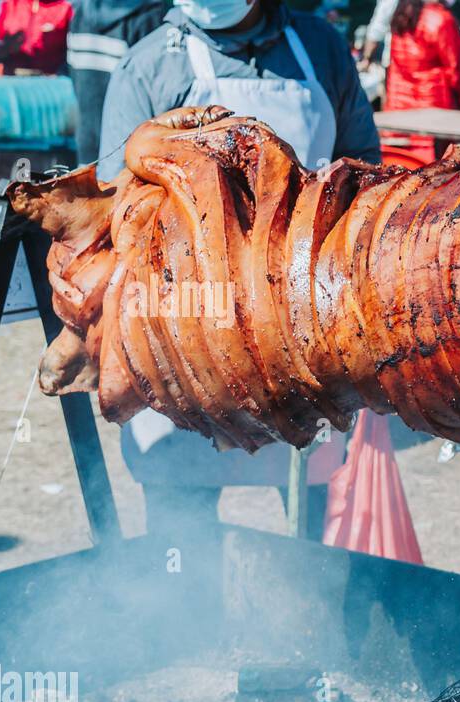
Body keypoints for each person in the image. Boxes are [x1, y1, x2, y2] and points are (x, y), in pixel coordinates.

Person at [96, 0, 380, 538]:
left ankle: (309, 610)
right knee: (181, 522)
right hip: (185, 337)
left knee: (308, 515)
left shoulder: (320, 48)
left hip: (299, 329)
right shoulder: (150, 64)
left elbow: (364, 169)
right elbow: (118, 209)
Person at [363, 0, 460, 166]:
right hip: (432, 117)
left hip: (398, 111)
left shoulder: (402, 14)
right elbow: (458, 69)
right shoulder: (442, 19)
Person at [66, 0, 166, 165]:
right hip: (130, 154)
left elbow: (75, 77)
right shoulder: (150, 14)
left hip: (87, 146)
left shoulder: (80, 12)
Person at [0, 0, 72, 73]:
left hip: (49, 82)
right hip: (12, 80)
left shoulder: (66, 7)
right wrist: (3, 49)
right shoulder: (9, 4)